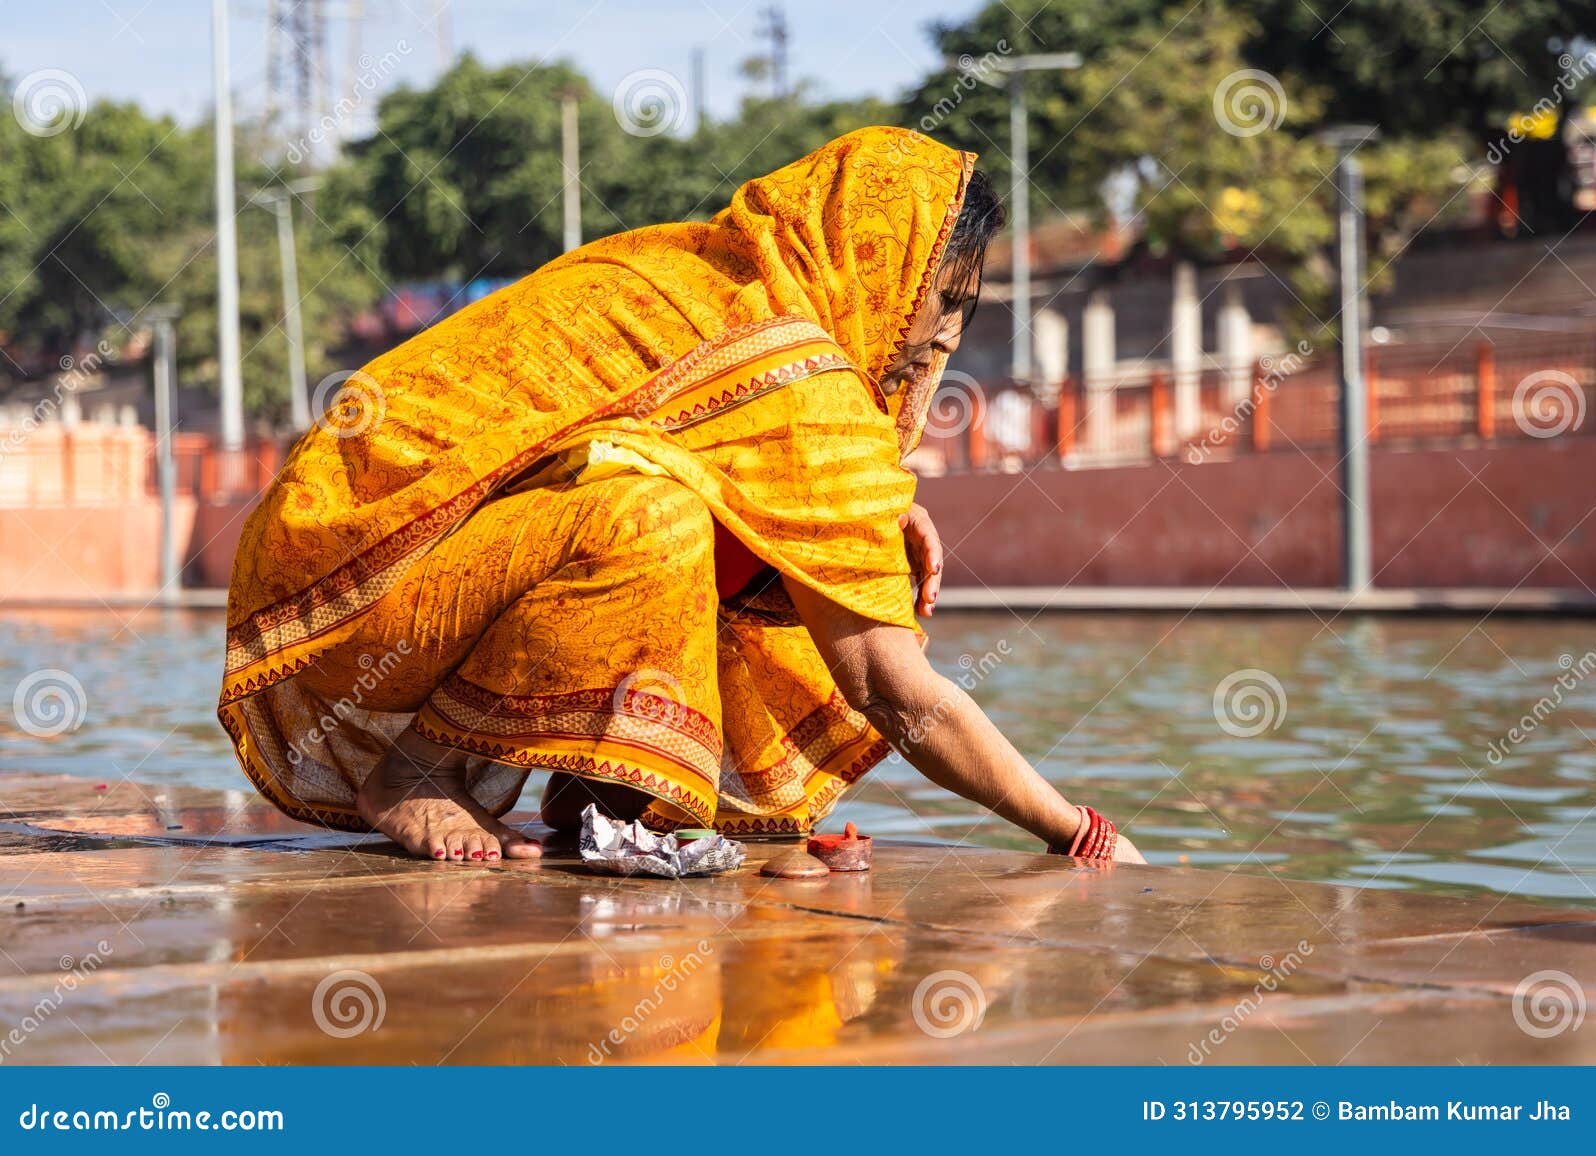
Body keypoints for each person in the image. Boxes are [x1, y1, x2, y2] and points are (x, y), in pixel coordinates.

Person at [217, 126, 1143, 866]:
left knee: (738, 529)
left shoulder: (702, 277)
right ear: (887, 274)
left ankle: (598, 788)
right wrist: (1076, 831)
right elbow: (896, 692)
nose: (936, 341)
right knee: (650, 518)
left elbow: (620, 441)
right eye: (943, 301)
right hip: (361, 601)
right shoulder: (800, 376)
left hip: (335, 568)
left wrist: (876, 506)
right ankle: (415, 767)